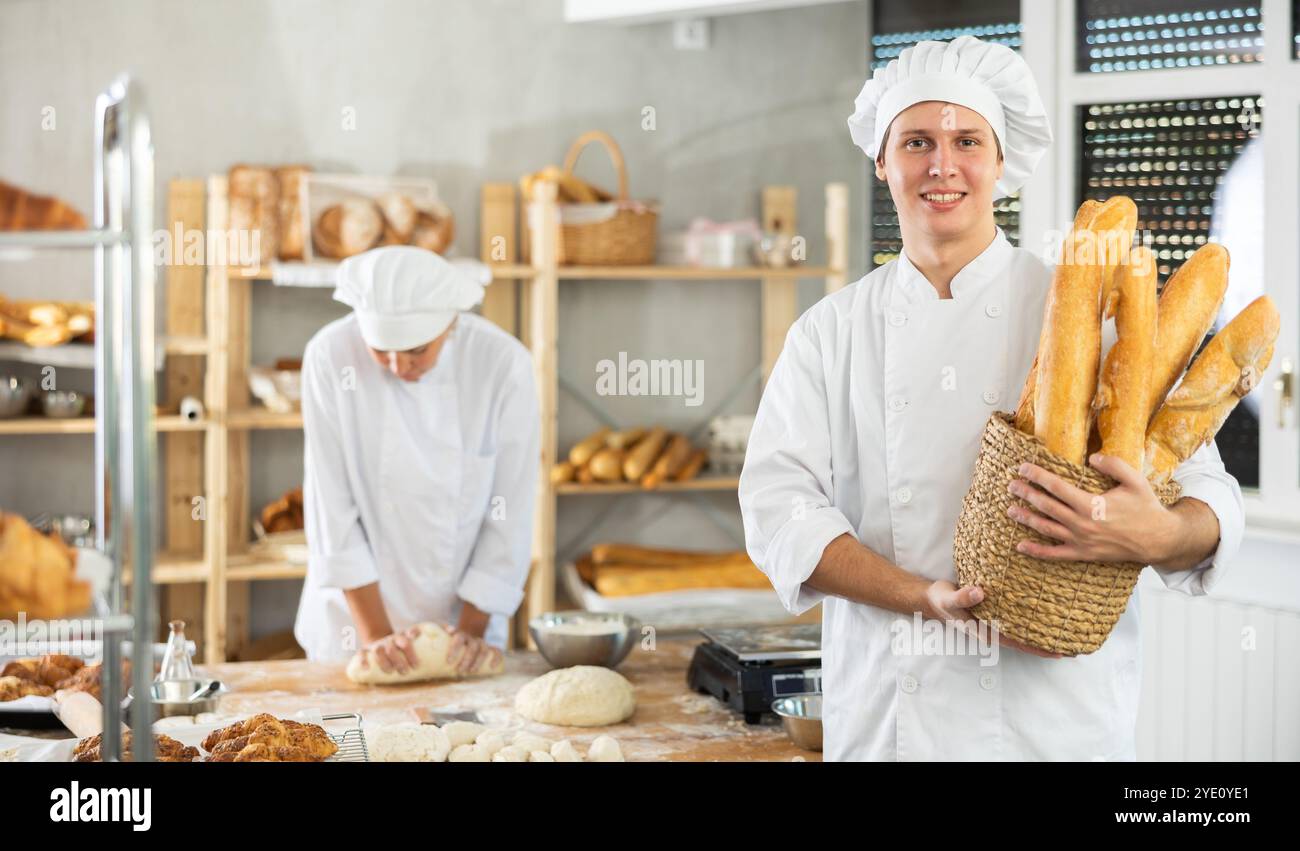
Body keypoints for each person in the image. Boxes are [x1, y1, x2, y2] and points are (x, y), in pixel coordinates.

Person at [738, 35, 1245, 761]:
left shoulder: (1088, 310)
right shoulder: (829, 334)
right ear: (881, 161)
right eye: (916, 141)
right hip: (893, 722)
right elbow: (777, 511)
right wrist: (921, 597)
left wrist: (1157, 534)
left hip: (1057, 728)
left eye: (966, 139)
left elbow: (1208, 496)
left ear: (1001, 162)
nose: (942, 164)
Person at [293, 246, 540, 676]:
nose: (397, 365)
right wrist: (376, 640)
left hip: (466, 624)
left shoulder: (503, 364)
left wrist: (467, 636)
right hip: (352, 625)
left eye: (416, 350)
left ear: (451, 323)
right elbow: (330, 507)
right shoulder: (329, 356)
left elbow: (511, 512)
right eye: (380, 351)